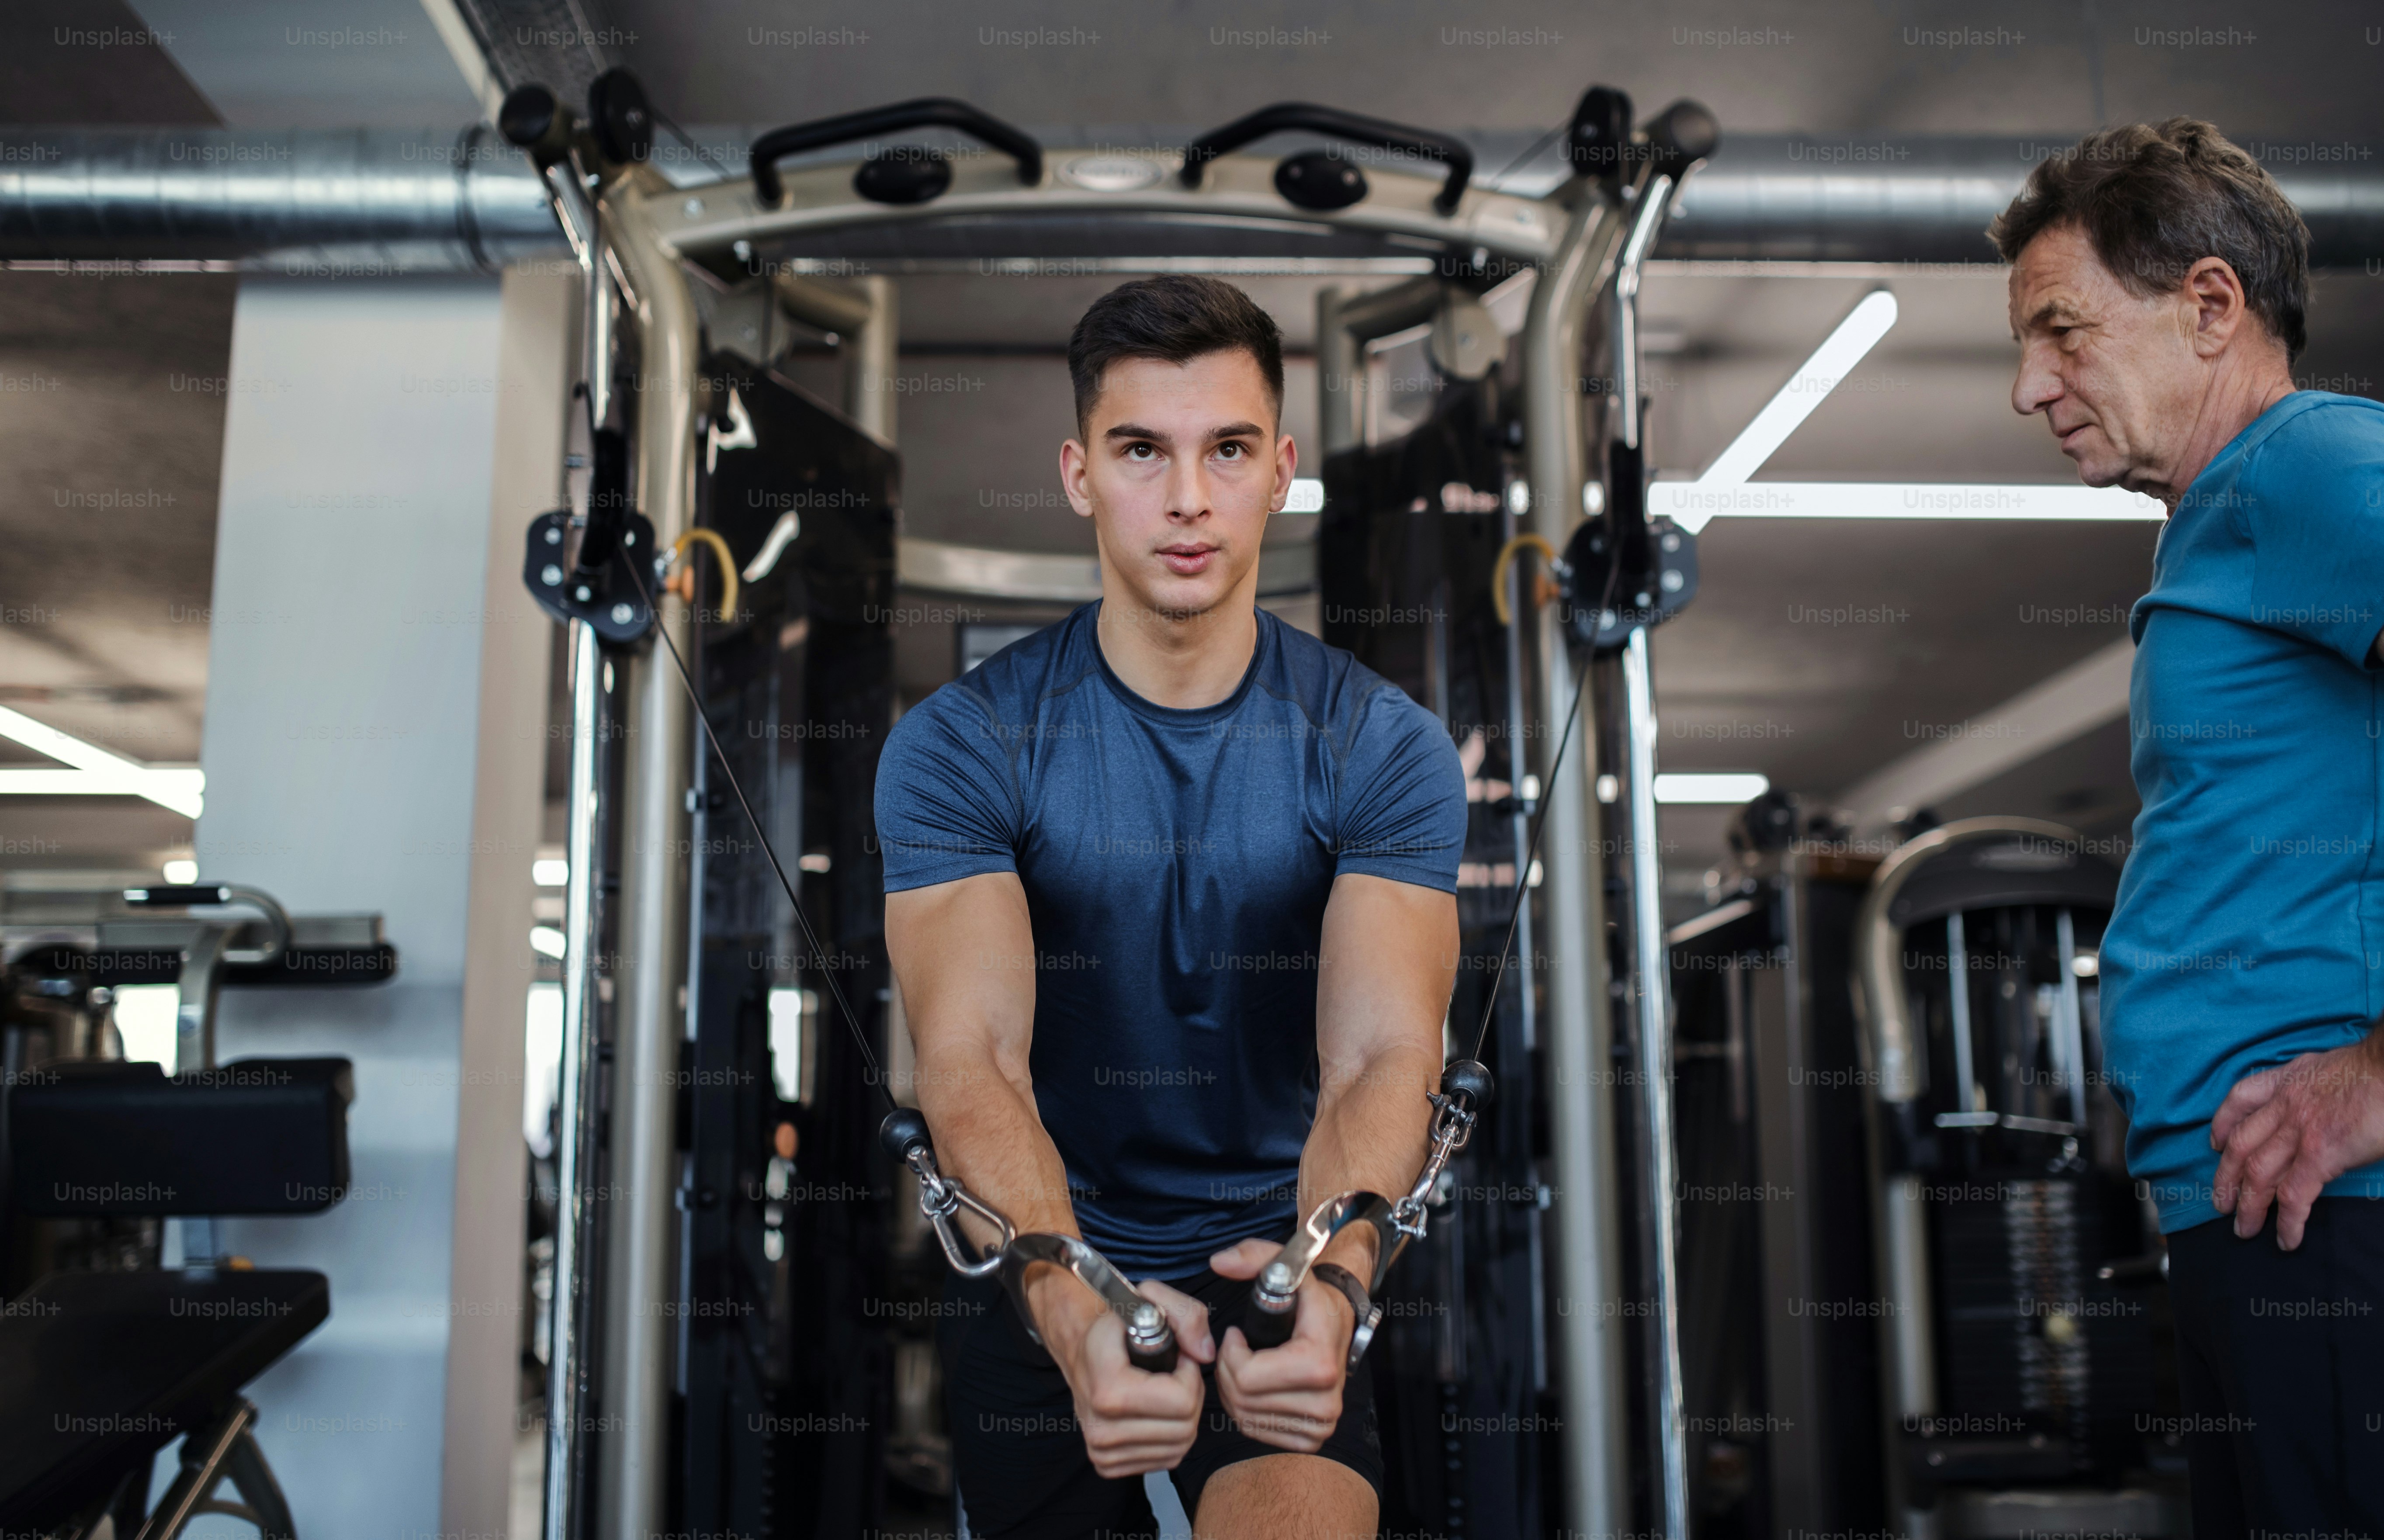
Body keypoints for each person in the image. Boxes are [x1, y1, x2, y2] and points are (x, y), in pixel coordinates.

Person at [875, 275, 1468, 1539]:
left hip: (1279, 1261)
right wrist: (1074, 1301)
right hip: (1052, 1258)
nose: (1189, 497)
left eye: (1229, 450)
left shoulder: (1381, 748)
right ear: (1082, 474)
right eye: (1144, 450)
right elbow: (971, 1059)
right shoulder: (963, 746)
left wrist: (1338, 1280)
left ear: (1282, 471)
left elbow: (1380, 1053)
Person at [1996, 119, 2384, 1531]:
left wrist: (2378, 1075)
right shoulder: (2230, 515)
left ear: (2211, 307)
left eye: (2063, 332)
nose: (2031, 385)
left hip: (2335, 1204)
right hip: (2261, 1206)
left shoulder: (2314, 467)